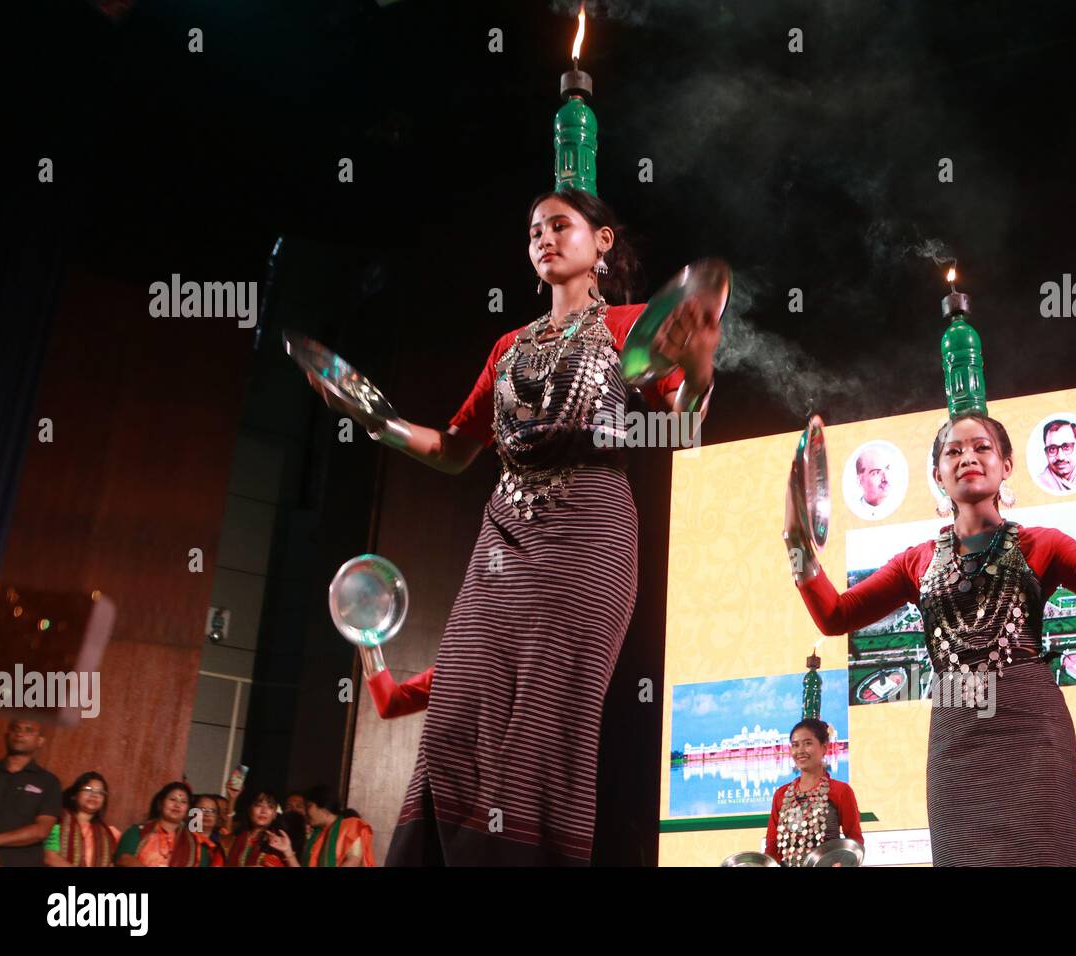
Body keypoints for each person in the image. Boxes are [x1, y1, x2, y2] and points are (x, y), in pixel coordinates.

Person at [307, 187, 722, 866]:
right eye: (534, 231)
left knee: (539, 727)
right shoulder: (508, 346)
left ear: (602, 244)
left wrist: (699, 367)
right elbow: (454, 449)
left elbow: (683, 429)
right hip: (499, 547)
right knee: (451, 721)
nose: (544, 239)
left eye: (561, 226)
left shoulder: (632, 325)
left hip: (587, 547)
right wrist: (378, 420)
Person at [784, 406, 1076, 865]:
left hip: (1032, 730)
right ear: (939, 474)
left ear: (1006, 467)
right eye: (953, 451)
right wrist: (795, 543)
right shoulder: (914, 562)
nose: (968, 457)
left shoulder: (1044, 544)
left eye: (982, 447)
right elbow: (834, 615)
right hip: (956, 734)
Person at [764, 718, 863, 866]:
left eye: (808, 743)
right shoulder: (782, 794)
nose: (800, 751)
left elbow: (855, 840)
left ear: (824, 747)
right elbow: (772, 846)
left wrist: (844, 862)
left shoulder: (840, 791)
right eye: (795, 745)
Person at [0, 719, 61, 867]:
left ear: (40, 741)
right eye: (16, 729)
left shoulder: (49, 782)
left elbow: (41, 830)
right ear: (7, 736)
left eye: (28, 730)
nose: (20, 733)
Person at [43, 772, 120, 867]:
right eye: (88, 789)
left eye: (100, 792)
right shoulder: (57, 821)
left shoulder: (109, 833)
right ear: (74, 795)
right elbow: (49, 857)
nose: (94, 795)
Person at [116, 782, 199, 867]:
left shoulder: (195, 843)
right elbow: (123, 859)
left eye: (183, 802)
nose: (177, 805)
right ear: (160, 803)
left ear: (188, 809)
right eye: (172, 799)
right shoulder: (136, 832)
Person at [302, 785, 374, 867]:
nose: (305, 812)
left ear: (324, 807)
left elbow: (354, 861)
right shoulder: (317, 835)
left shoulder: (350, 827)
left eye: (308, 806)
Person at [225, 789, 298, 867]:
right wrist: (232, 800)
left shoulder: (278, 841)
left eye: (270, 807)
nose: (264, 811)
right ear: (250, 810)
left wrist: (288, 851)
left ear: (274, 815)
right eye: (258, 805)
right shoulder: (238, 837)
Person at [1036, 419, 1076, 493]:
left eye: (1066, 447)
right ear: (1046, 453)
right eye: (1052, 449)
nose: (1060, 457)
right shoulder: (1041, 482)